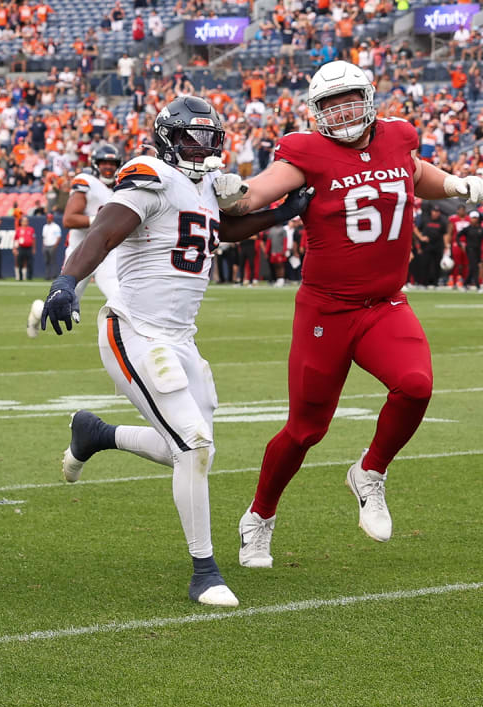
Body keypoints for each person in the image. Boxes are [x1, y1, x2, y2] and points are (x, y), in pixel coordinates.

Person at [39, 95, 314, 607]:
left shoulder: (207, 184)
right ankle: (204, 571)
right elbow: (103, 230)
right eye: (191, 137)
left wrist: (281, 214)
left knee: (185, 447)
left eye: (210, 138)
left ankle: (97, 435)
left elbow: (222, 230)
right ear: (168, 138)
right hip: (135, 331)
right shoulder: (149, 175)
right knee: (194, 444)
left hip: (181, 338)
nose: (202, 147)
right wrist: (66, 282)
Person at [216, 61, 483, 567]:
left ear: (370, 98)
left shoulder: (399, 136)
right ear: (316, 112)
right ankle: (259, 518)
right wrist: (236, 196)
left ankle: (370, 471)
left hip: (385, 304)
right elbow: (261, 191)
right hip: (327, 310)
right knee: (305, 429)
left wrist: (456, 185)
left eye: (350, 99)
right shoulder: (305, 152)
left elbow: (414, 174)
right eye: (331, 104)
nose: (342, 111)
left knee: (416, 385)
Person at [29, 144, 124, 337]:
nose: (108, 167)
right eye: (104, 162)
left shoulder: (119, 190)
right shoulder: (87, 182)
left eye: (112, 163)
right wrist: (101, 222)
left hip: (107, 252)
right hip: (81, 253)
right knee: (63, 305)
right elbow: (69, 219)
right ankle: (37, 311)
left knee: (120, 296)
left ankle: (121, 339)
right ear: (95, 164)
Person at [461, 211, 483, 290]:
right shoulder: (468, 228)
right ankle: (478, 286)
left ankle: (465, 283)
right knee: (475, 267)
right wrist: (461, 244)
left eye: (475, 218)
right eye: (472, 218)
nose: (473, 219)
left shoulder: (480, 229)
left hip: (478, 250)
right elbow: (458, 236)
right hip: (470, 249)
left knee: (472, 268)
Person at [13, 214, 36, 280]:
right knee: (20, 262)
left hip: (29, 248)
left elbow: (33, 239)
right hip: (21, 248)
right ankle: (20, 277)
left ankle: (29, 277)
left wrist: (34, 248)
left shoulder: (31, 229)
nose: (25, 222)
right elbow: (15, 239)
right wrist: (14, 248)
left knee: (30, 263)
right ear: (21, 222)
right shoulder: (18, 229)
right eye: (24, 221)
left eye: (26, 221)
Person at [42, 213, 62, 281]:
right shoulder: (45, 226)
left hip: (52, 245)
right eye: (47, 218)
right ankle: (47, 276)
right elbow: (44, 237)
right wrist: (43, 245)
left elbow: (58, 237)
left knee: (53, 261)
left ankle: (54, 275)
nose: (48, 219)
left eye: (49, 218)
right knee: (47, 261)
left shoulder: (56, 226)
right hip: (46, 246)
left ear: (52, 218)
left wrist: (55, 245)